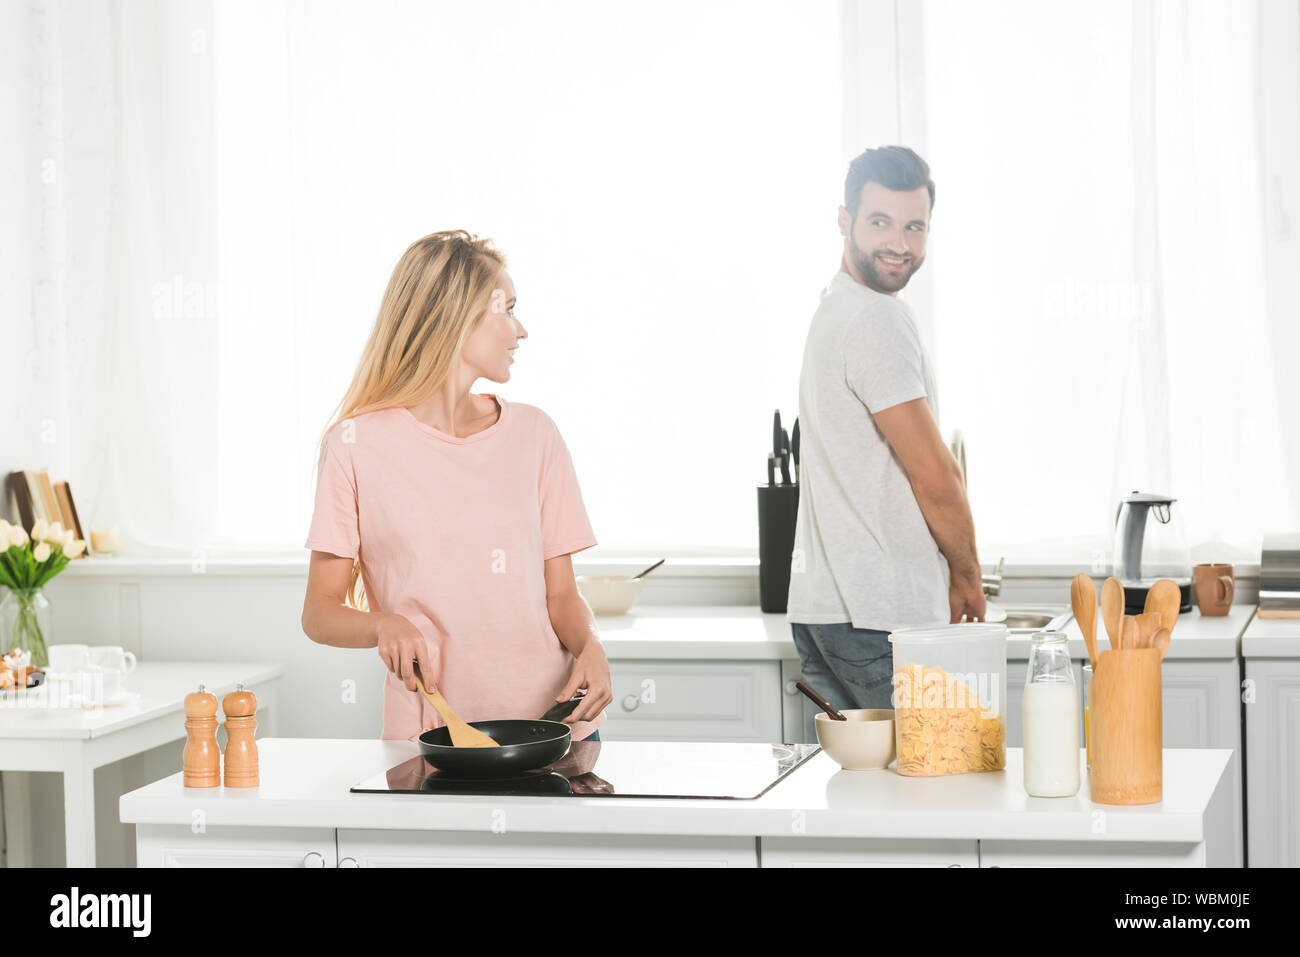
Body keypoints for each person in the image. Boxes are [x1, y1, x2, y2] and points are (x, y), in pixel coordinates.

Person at [301, 230, 612, 742]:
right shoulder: (354, 445)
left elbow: (561, 597)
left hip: (557, 728)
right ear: (457, 316)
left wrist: (592, 648)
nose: (522, 330)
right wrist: (383, 625)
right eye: (507, 310)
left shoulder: (535, 435)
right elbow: (319, 612)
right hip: (435, 736)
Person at [787, 146, 985, 712]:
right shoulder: (876, 318)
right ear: (844, 220)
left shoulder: (837, 307)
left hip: (827, 610)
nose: (899, 243)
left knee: (859, 794)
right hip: (882, 617)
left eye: (914, 226)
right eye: (880, 223)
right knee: (945, 786)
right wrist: (968, 577)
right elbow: (936, 476)